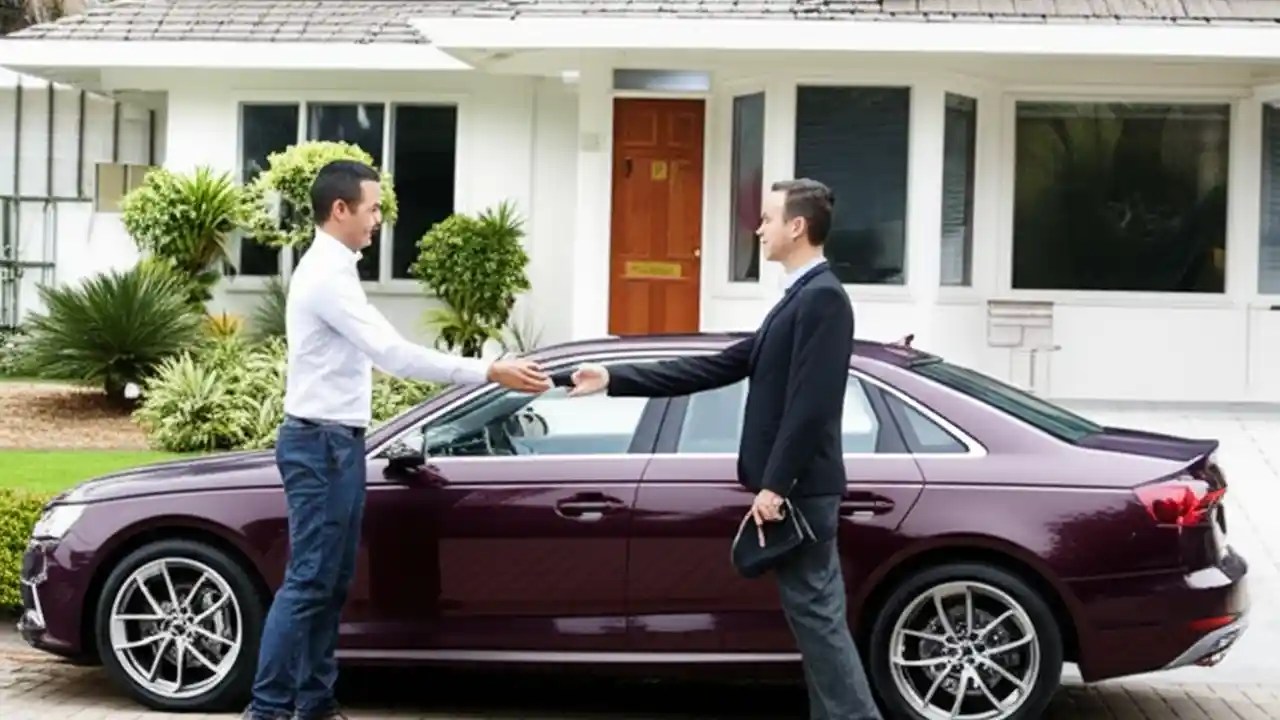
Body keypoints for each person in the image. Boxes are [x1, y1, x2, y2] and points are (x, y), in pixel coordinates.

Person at [559, 178, 881, 720]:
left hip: (802, 493)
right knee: (814, 624)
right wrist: (613, 377)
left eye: (768, 219)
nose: (759, 229)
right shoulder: (800, 298)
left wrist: (776, 485)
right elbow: (717, 366)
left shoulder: (823, 299)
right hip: (797, 491)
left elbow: (813, 405)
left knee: (820, 624)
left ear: (797, 226)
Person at [244, 160, 551, 720]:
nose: (379, 219)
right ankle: (267, 711)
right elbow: (393, 354)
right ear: (340, 209)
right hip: (319, 445)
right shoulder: (326, 276)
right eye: (372, 208)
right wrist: (488, 371)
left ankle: (314, 704)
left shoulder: (337, 270)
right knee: (309, 580)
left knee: (330, 582)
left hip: (335, 443)